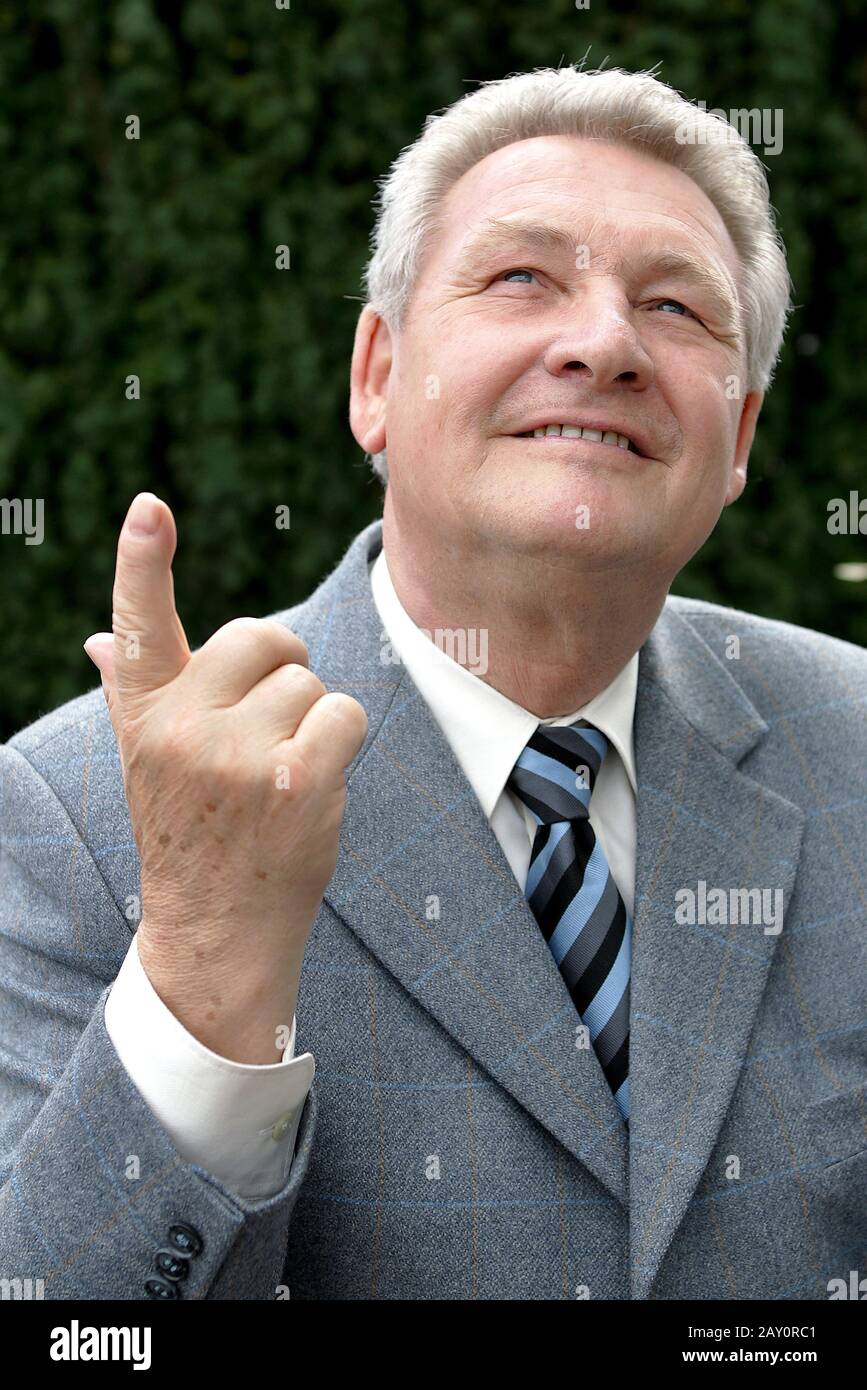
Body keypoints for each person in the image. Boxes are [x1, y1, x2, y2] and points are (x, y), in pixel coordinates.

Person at [1, 65, 864, 1302]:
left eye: (676, 305)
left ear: (738, 438)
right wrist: (200, 966)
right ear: (376, 379)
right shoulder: (77, 812)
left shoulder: (856, 746)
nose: (607, 342)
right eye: (523, 278)